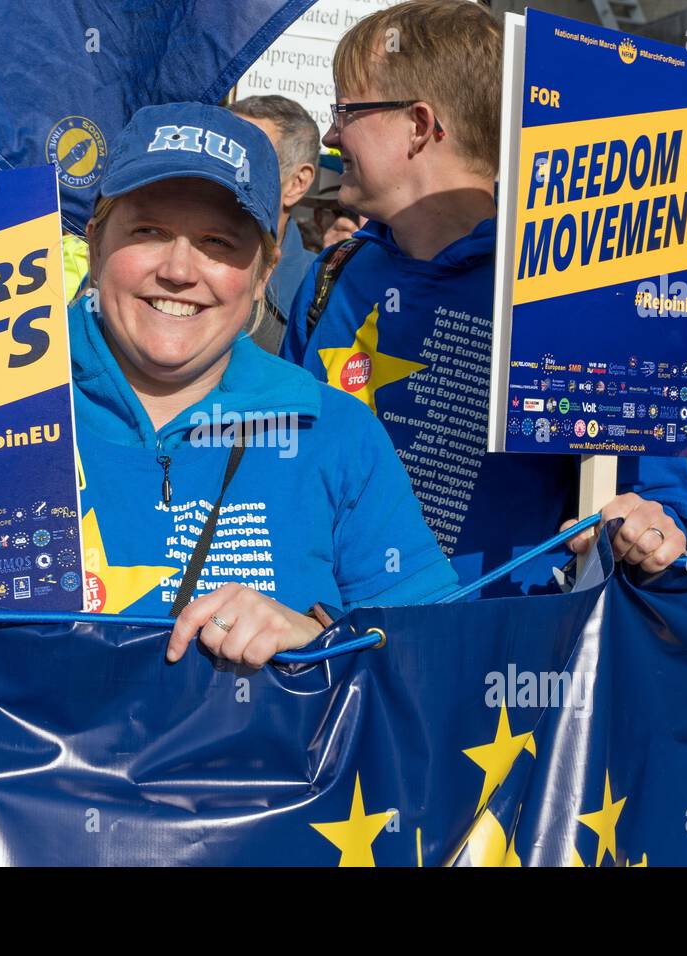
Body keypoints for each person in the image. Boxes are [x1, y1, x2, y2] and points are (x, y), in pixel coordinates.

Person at [281, 0, 687, 594]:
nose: (329, 133)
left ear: (421, 125)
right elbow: (269, 467)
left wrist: (649, 527)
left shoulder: (573, 288)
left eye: (346, 109)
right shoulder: (334, 273)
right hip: (333, 658)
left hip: (495, 660)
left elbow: (660, 505)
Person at [73, 102, 461, 666]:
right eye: (149, 231)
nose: (180, 270)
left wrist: (316, 638)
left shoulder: (334, 430)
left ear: (263, 274)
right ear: (96, 245)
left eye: (219, 243)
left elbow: (439, 655)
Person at [229, 95, 319, 352]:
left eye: (245, 164)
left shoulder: (326, 295)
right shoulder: (174, 267)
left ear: (297, 183)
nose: (223, 174)